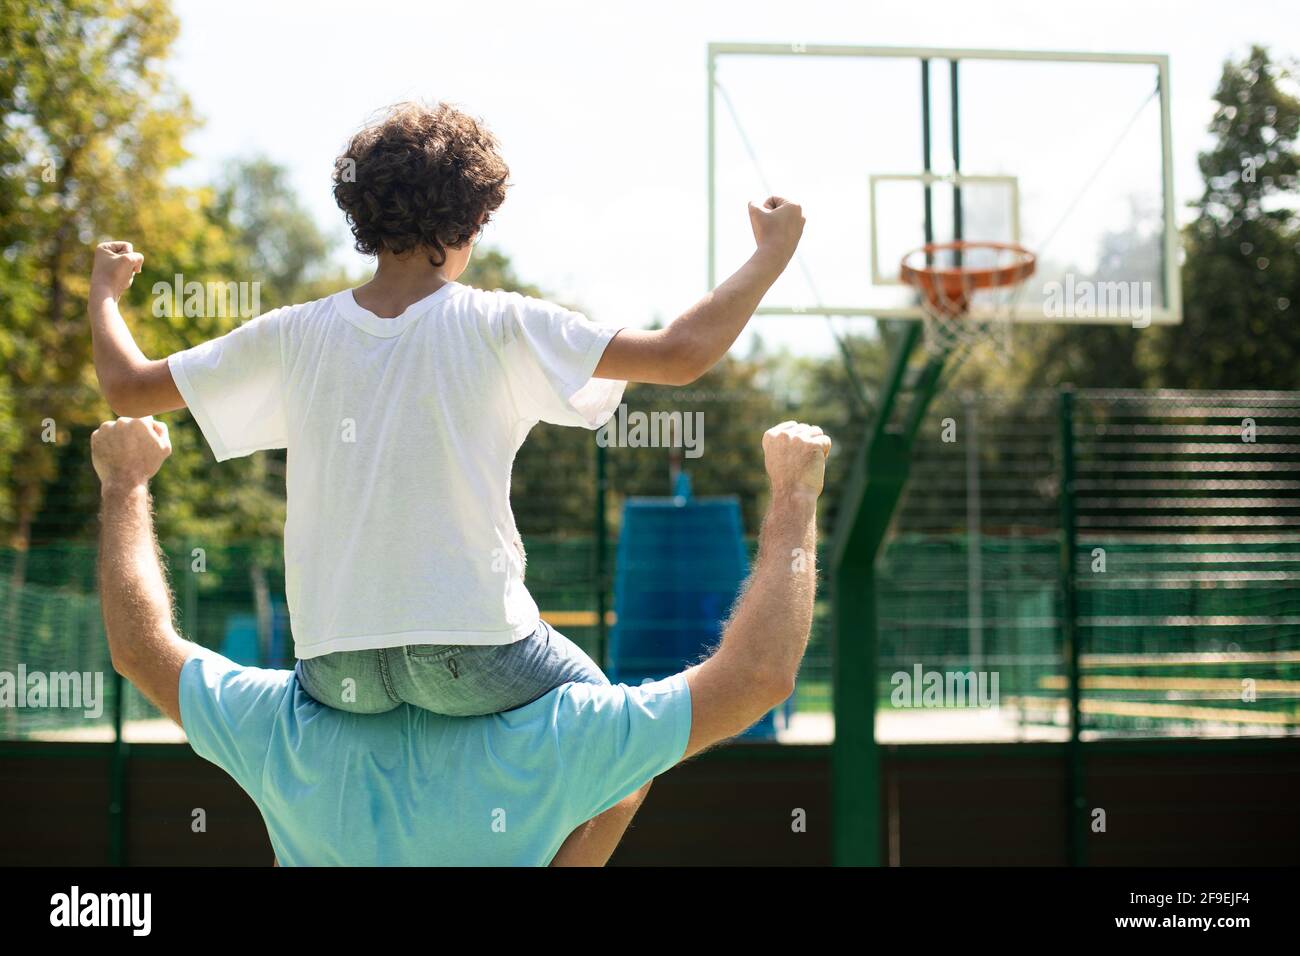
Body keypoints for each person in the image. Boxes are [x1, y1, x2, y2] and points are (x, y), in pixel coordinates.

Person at [86, 100, 803, 855]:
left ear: (362, 215)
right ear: (470, 222)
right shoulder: (497, 322)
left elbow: (128, 387)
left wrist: (105, 291)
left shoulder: (296, 333)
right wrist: (771, 253)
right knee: (628, 759)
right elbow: (682, 354)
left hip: (333, 669)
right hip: (480, 655)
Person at [93, 415, 829, 865]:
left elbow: (752, 681)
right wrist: (125, 483)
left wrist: (796, 493)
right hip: (366, 681)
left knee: (624, 770)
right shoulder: (562, 743)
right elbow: (139, 648)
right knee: (623, 767)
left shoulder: (563, 750)